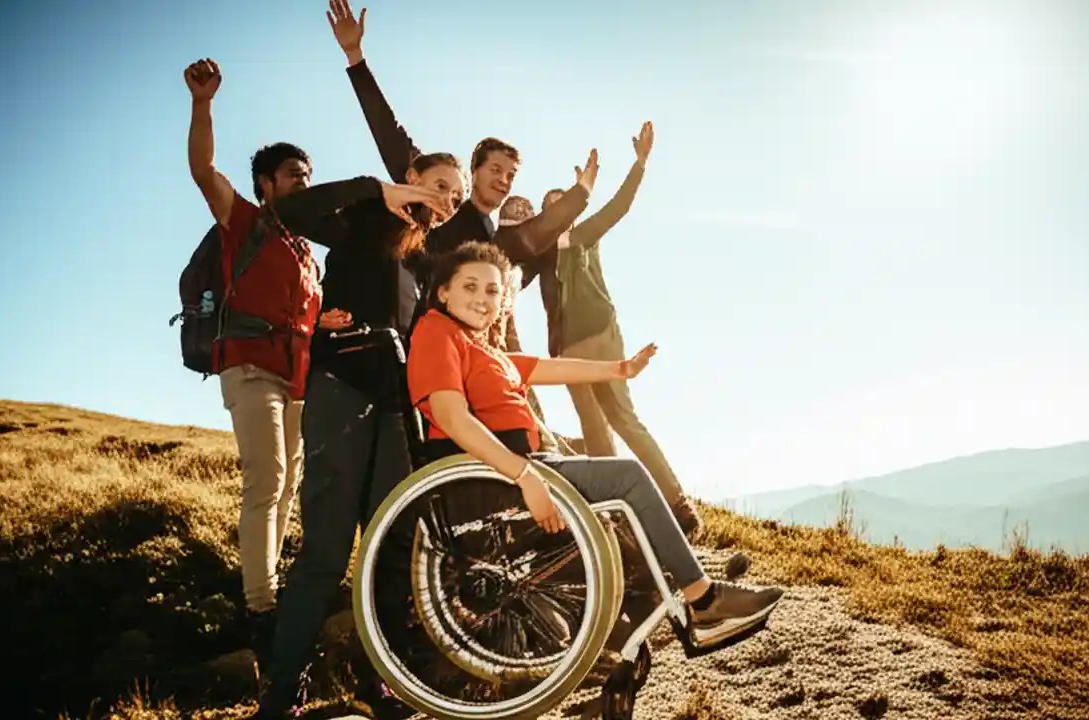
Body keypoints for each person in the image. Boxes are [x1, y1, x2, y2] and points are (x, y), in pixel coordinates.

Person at [183, 57, 452, 685]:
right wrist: (203, 105)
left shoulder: (311, 249)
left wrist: (327, 319)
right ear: (265, 185)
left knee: (291, 487)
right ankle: (261, 606)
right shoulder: (245, 221)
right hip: (252, 366)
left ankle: (283, 592)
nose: (302, 183)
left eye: (307, 175)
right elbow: (203, 171)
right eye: (291, 176)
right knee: (269, 477)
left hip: (305, 374)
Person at [406, 241, 784, 649]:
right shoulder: (436, 331)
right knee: (627, 477)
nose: (482, 298)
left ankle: (629, 636)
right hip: (488, 480)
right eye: (470, 286)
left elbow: (553, 368)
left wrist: (620, 369)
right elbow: (451, 417)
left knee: (618, 519)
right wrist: (525, 475)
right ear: (443, 292)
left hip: (519, 467)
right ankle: (703, 601)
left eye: (492, 290)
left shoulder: (487, 351)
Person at [327, 0, 592, 452]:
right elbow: (391, 136)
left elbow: (535, 236)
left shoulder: (498, 240)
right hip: (436, 357)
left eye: (511, 174)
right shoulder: (441, 211)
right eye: (495, 169)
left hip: (488, 354)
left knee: (529, 434)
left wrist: (580, 195)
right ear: (474, 171)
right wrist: (356, 59)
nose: (503, 179)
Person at [254, 151, 461, 719]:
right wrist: (376, 189)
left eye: (457, 195)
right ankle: (282, 692)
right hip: (341, 390)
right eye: (440, 185)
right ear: (412, 181)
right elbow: (290, 211)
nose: (448, 200)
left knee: (389, 547)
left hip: (397, 407)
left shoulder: (428, 259)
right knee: (325, 550)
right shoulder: (361, 220)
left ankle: (380, 684)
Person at [498, 122, 704, 540]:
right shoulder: (541, 254)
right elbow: (510, 272)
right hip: (567, 348)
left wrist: (639, 163)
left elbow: (618, 206)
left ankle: (678, 504)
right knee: (593, 428)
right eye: (552, 209)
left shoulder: (583, 236)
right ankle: (615, 519)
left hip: (599, 335)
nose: (560, 213)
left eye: (565, 205)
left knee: (623, 419)